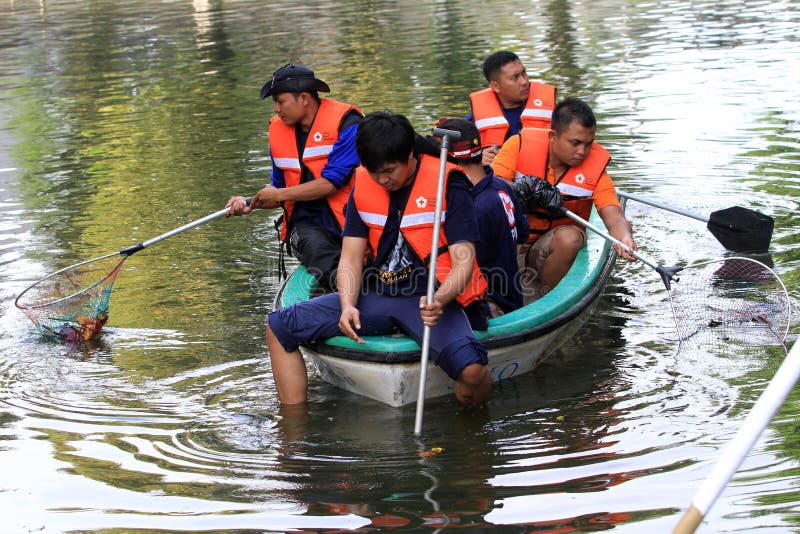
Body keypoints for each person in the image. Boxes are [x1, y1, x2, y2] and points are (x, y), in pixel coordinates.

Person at [266, 111, 491, 407]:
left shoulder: (448, 183)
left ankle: (472, 435)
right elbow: (350, 257)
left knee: (473, 370)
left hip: (429, 301)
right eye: (374, 172)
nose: (383, 180)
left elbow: (464, 260)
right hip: (380, 294)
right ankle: (293, 434)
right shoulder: (364, 183)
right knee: (279, 326)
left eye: (389, 170)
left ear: (409, 155)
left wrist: (440, 299)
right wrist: (347, 305)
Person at [226, 64, 363, 290]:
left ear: (304, 98)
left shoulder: (348, 124)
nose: (277, 109)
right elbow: (279, 189)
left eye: (280, 101)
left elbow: (330, 184)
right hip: (306, 224)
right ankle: (349, 296)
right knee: (319, 250)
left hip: (353, 217)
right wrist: (250, 202)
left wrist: (276, 194)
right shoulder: (278, 131)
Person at [491, 97, 636, 300]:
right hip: (510, 242)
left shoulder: (594, 168)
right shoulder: (518, 145)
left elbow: (612, 212)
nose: (582, 152)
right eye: (575, 143)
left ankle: (545, 300)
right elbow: (490, 189)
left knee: (570, 238)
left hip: (549, 248)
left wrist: (624, 238)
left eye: (588, 144)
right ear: (553, 136)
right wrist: (523, 190)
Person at [435, 117, 530, 317]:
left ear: (449, 161)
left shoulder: (474, 208)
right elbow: (522, 235)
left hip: (492, 304)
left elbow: (463, 267)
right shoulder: (500, 185)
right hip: (511, 294)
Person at [466, 51, 557, 167]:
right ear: (495, 86)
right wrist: (478, 157)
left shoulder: (551, 112)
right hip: (501, 179)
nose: (524, 82)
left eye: (524, 73)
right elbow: (458, 154)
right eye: (515, 77)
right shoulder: (474, 122)